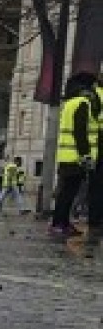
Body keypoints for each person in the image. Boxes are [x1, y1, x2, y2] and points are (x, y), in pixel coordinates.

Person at [50, 72, 99, 238]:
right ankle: (59, 224)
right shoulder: (83, 103)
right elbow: (80, 131)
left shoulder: (70, 102)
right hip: (75, 156)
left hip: (67, 155)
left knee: (66, 192)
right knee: (68, 193)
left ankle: (62, 223)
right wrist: (85, 155)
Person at [89, 76, 103, 243]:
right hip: (100, 141)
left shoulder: (93, 94)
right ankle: (96, 218)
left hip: (95, 143)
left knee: (96, 185)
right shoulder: (98, 95)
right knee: (98, 185)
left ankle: (95, 217)